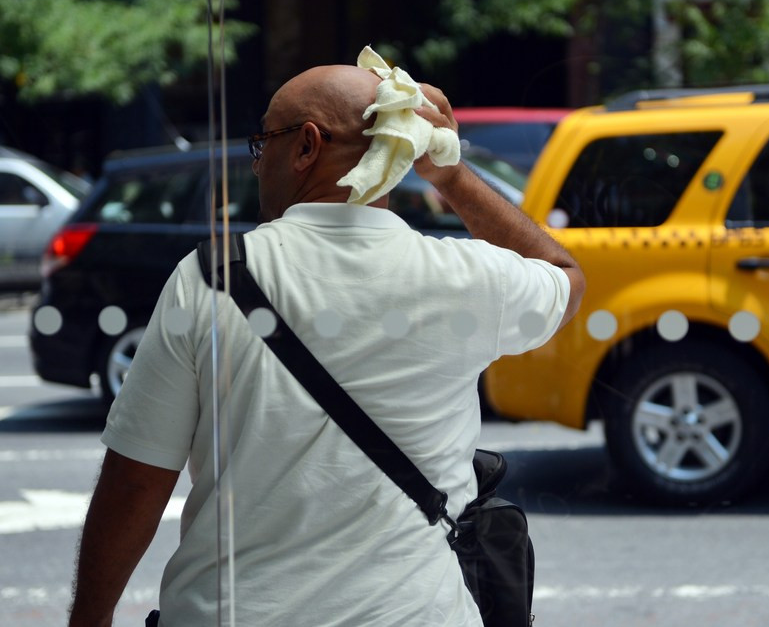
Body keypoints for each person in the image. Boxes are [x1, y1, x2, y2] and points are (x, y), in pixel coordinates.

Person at [68, 63, 585, 627]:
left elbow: (137, 480)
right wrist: (451, 177)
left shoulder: (210, 278)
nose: (257, 161)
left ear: (307, 145)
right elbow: (564, 275)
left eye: (263, 142)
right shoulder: (466, 277)